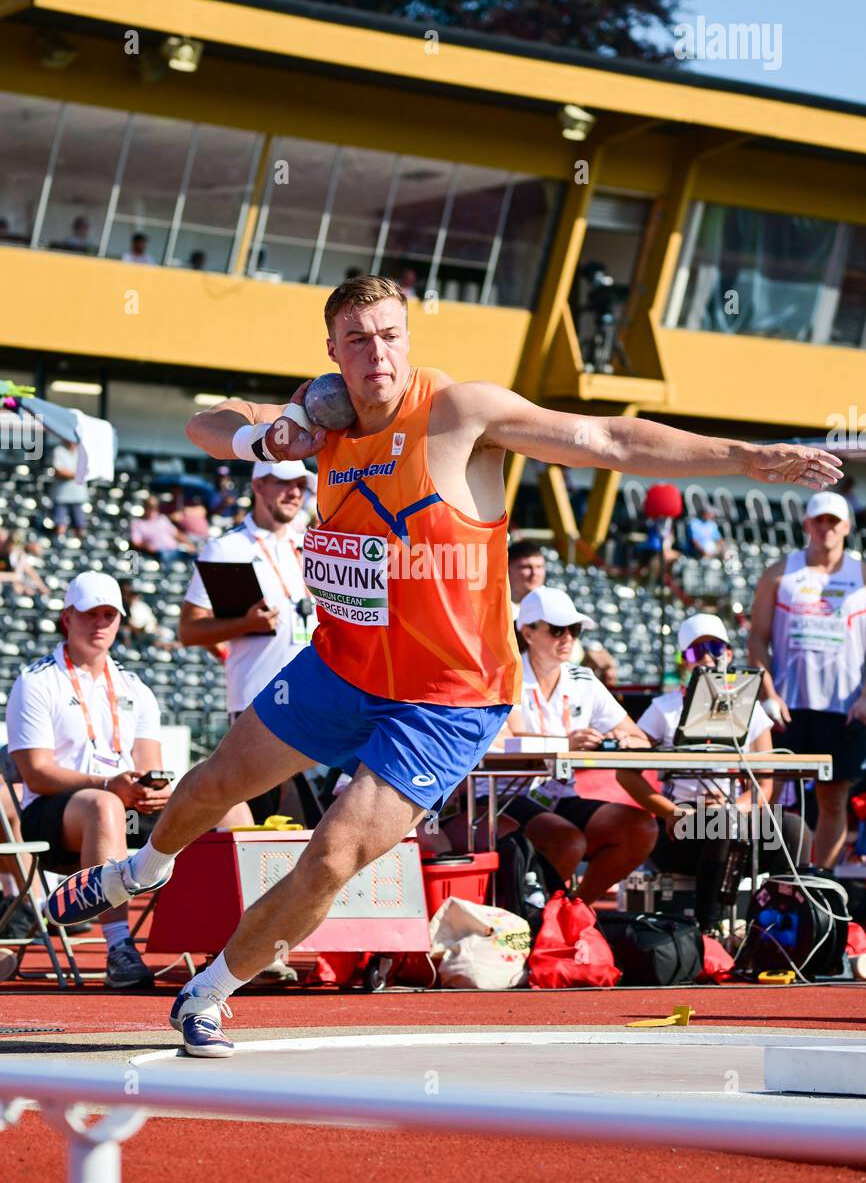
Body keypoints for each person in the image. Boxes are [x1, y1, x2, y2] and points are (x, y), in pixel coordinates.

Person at [44, 273, 840, 1056]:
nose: (376, 354)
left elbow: (608, 439)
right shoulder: (320, 413)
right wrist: (269, 434)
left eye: (389, 336)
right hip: (343, 665)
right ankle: (142, 871)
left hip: (445, 700)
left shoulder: (461, 413)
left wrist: (742, 455)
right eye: (357, 340)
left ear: (408, 341)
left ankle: (208, 992)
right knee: (217, 781)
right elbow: (202, 426)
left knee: (332, 855)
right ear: (334, 350)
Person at [7, 573, 170, 987]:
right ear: (67, 618)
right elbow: (37, 773)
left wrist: (154, 791)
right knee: (105, 805)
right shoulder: (37, 680)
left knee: (221, 806)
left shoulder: (135, 687)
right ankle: (119, 947)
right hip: (53, 815)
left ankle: (227, 947)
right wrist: (107, 785)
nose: (100, 624)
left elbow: (150, 764)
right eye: (89, 614)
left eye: (109, 615)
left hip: (120, 805)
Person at [446, 587, 654, 904]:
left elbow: (639, 738)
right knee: (567, 840)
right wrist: (565, 743)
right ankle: (537, 922)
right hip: (500, 793)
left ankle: (574, 912)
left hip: (556, 793)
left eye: (575, 629)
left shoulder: (582, 678)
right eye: (557, 629)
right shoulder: (503, 675)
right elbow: (502, 742)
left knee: (640, 828)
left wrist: (620, 740)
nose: (568, 638)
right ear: (527, 632)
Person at [617, 613, 800, 931]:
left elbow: (765, 785)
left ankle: (779, 924)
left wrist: (734, 809)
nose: (706, 658)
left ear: (729, 654)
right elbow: (625, 773)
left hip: (734, 823)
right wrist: (672, 813)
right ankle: (707, 930)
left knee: (792, 828)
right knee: (722, 825)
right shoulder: (664, 709)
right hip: (680, 831)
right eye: (694, 652)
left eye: (715, 648)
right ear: (684, 661)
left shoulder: (752, 710)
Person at [179, 460, 317, 827]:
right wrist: (245, 625)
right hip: (261, 706)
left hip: (317, 702)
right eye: (284, 483)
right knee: (272, 826)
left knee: (312, 826)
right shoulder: (228, 548)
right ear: (258, 485)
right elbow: (190, 630)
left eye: (301, 485)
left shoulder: (311, 543)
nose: (294, 493)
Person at [748, 491, 866, 869]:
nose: (826, 528)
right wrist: (768, 693)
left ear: (846, 526)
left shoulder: (861, 575)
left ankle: (823, 880)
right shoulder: (781, 573)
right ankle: (766, 873)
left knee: (833, 798)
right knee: (771, 791)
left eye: (834, 521)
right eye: (819, 520)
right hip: (789, 704)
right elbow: (757, 638)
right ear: (807, 525)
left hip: (843, 707)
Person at [130, 495, 197, 566]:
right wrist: (147, 546)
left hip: (175, 550)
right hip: (158, 554)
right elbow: (136, 542)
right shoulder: (137, 523)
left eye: (154, 508)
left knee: (195, 556)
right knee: (167, 557)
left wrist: (189, 544)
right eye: (150, 507)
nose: (152, 510)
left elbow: (176, 534)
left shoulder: (162, 519)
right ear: (145, 507)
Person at [50, 439, 88, 539]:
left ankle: (81, 548)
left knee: (80, 525)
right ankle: (59, 545)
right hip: (62, 495)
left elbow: (86, 471)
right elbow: (59, 471)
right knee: (60, 524)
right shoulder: (59, 450)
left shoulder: (82, 450)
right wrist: (75, 474)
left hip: (78, 495)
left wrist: (73, 474)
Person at [0, 529, 48, 596]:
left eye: (14, 543)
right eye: (10, 541)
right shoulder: (3, 538)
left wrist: (42, 587)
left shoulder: (17, 553)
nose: (11, 545)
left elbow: (28, 570)